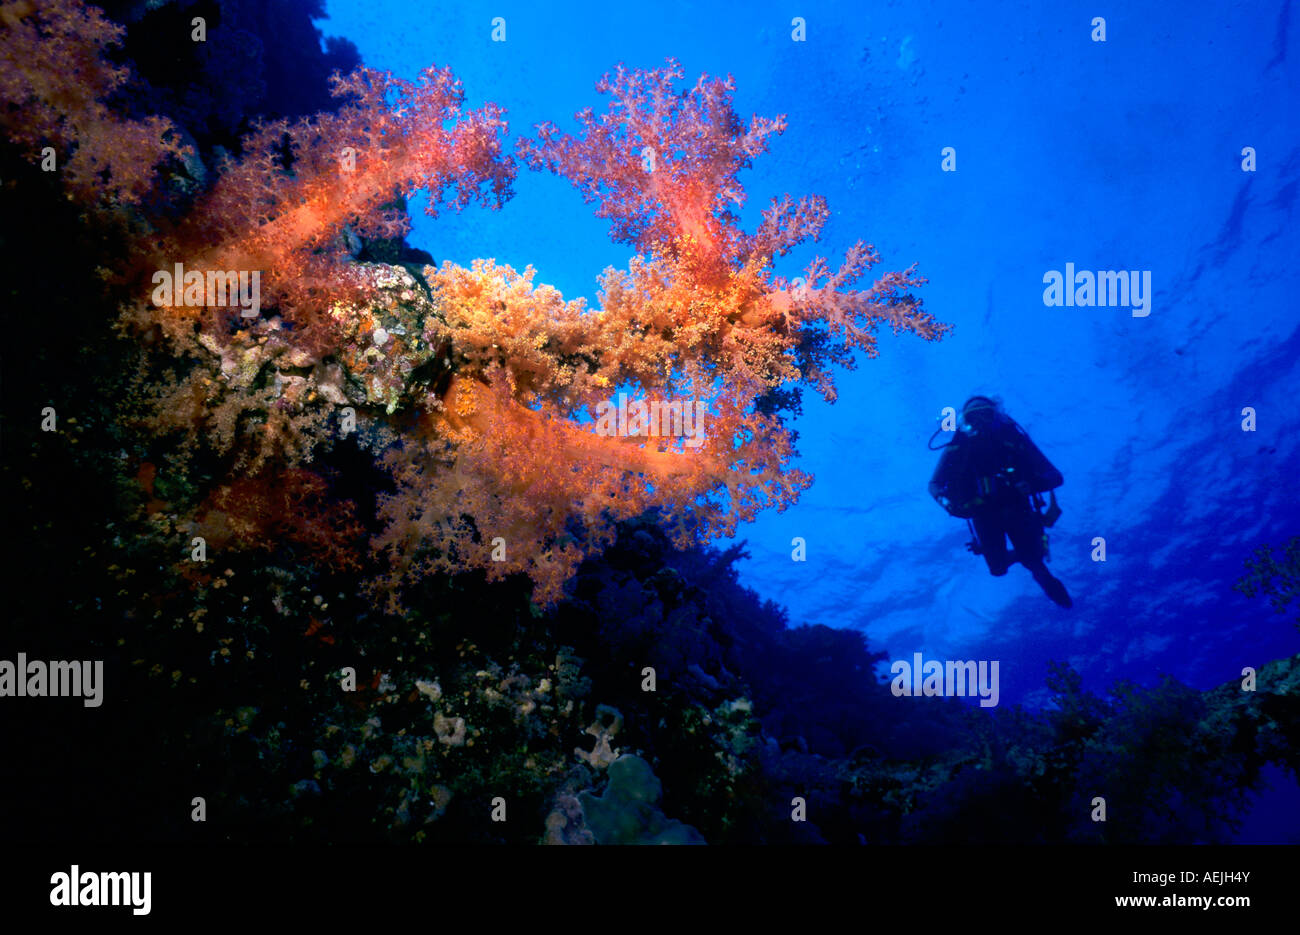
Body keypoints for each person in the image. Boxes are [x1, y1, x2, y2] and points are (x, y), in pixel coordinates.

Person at [928, 396, 1073, 608]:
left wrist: (1029, 485)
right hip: (981, 512)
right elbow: (934, 485)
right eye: (973, 418)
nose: (980, 423)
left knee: (1035, 563)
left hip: (1017, 506)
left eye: (985, 415)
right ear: (964, 422)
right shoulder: (958, 448)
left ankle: (1036, 566)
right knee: (997, 569)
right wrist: (953, 507)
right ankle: (1024, 555)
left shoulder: (1015, 439)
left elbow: (1055, 477)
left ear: (996, 416)